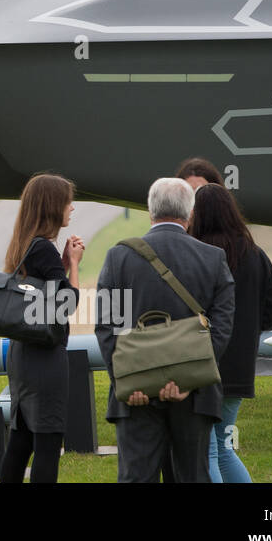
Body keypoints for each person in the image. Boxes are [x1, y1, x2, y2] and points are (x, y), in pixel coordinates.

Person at [95, 177, 235, 482]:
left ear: (150, 211)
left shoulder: (118, 257)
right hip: (194, 396)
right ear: (190, 214)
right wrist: (189, 380)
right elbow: (222, 328)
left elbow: (106, 327)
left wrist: (129, 382)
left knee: (137, 478)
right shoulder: (213, 258)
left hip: (135, 399)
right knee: (193, 477)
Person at [189, 183, 272, 482]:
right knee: (224, 447)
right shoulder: (255, 254)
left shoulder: (196, 253)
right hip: (241, 363)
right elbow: (270, 310)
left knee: (208, 451)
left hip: (202, 360)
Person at [0, 174, 85, 483]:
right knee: (47, 443)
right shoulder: (43, 248)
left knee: (21, 442)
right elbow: (66, 304)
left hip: (22, 355)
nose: (71, 207)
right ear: (52, 206)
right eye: (67, 201)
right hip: (45, 359)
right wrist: (74, 264)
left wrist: (60, 265)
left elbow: (42, 296)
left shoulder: (26, 244)